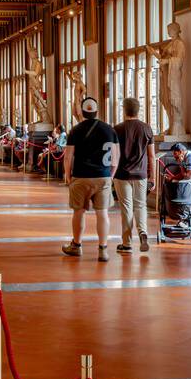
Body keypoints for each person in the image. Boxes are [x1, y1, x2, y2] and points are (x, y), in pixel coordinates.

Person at [62, 96, 119, 263]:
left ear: (82, 111)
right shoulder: (110, 130)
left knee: (79, 212)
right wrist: (111, 175)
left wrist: (68, 176)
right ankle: (103, 250)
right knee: (103, 213)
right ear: (96, 111)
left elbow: (68, 156)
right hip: (103, 177)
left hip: (81, 176)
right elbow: (116, 157)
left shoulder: (76, 130)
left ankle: (77, 246)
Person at [113, 97, 155, 255]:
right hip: (141, 174)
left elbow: (114, 155)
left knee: (126, 207)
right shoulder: (146, 128)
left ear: (124, 110)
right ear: (138, 110)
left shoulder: (117, 129)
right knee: (141, 205)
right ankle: (143, 233)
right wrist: (153, 178)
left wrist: (110, 174)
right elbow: (151, 156)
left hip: (122, 174)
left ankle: (127, 243)